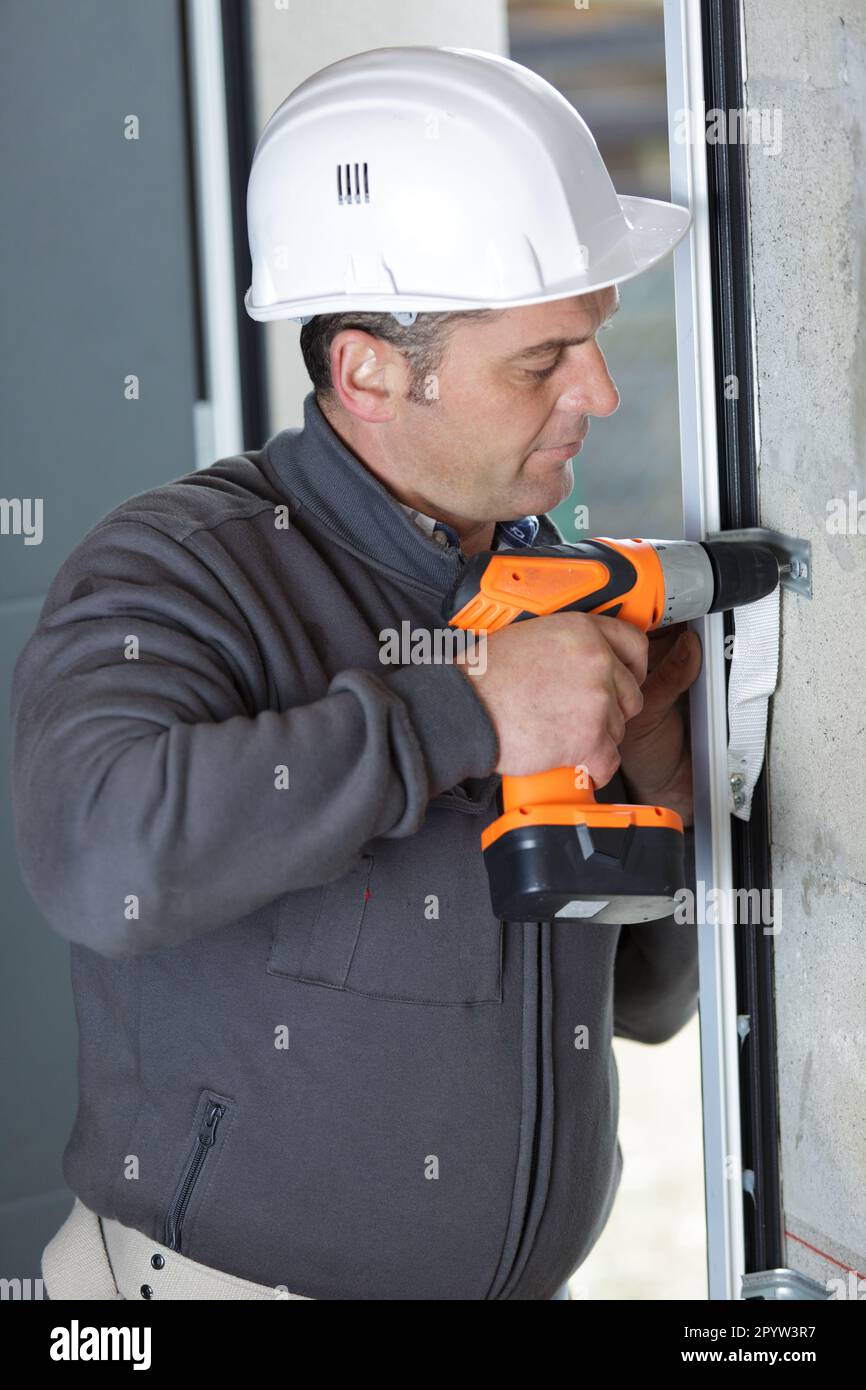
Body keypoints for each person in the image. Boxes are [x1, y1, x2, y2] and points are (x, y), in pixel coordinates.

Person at [11, 46, 702, 1301]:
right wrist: (468, 711)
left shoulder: (547, 587)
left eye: (589, 340)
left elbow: (645, 1000)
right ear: (369, 372)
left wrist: (655, 781)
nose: (594, 392)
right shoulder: (184, 568)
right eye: (539, 362)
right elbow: (99, 861)